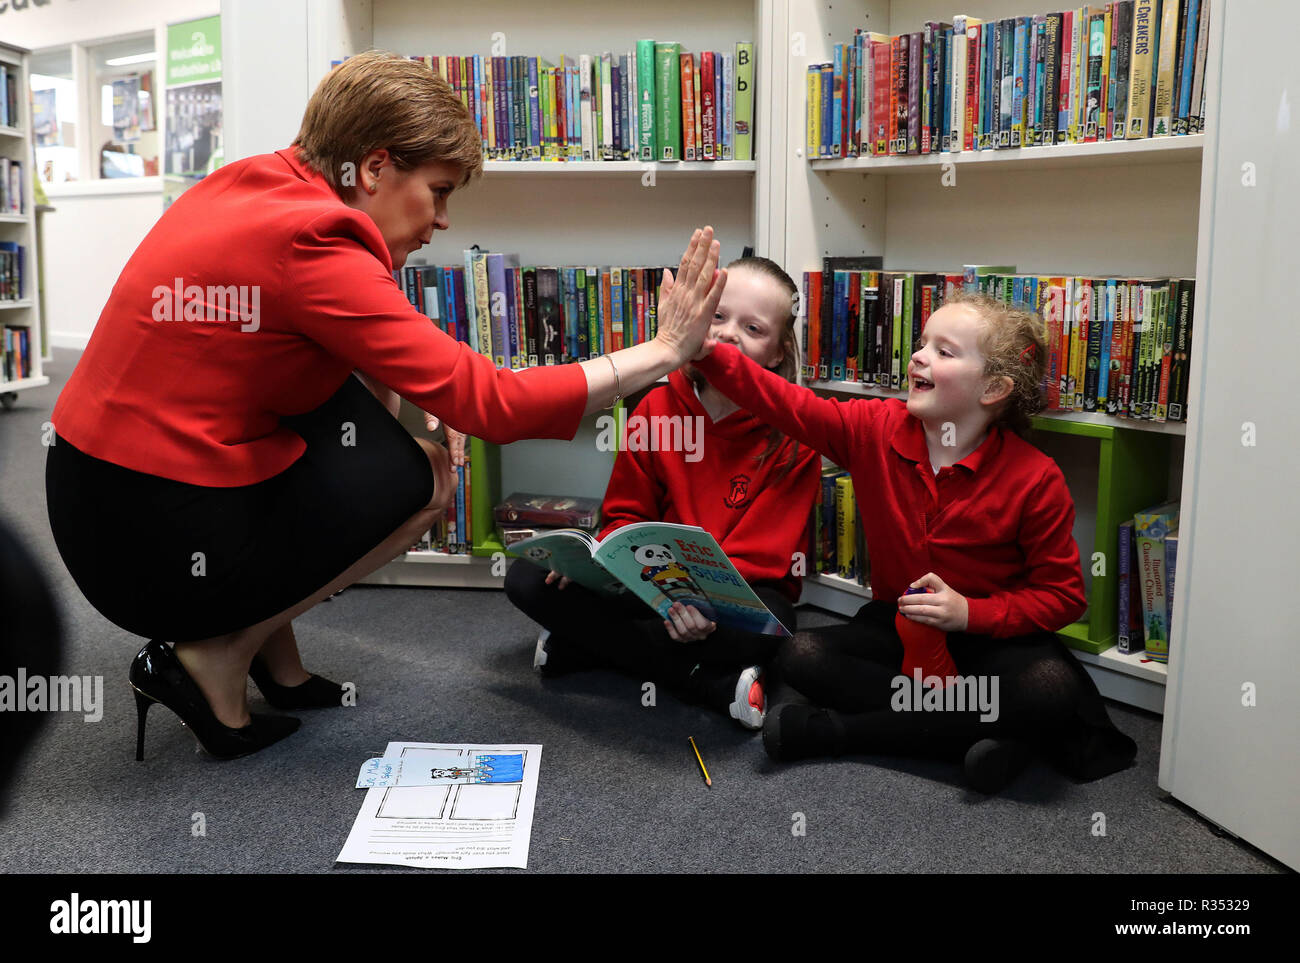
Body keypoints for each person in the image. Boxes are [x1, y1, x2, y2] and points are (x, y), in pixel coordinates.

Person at [44, 51, 727, 762]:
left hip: (97, 486)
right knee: (425, 480)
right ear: (373, 169)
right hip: (140, 532)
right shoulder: (317, 240)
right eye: (437, 191)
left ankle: (276, 663)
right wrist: (666, 349)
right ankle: (216, 653)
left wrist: (431, 392)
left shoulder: (260, 182)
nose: (441, 220)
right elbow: (490, 400)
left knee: (380, 444)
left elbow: (324, 358)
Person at [689, 289, 1138, 791]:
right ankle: (989, 737)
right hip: (900, 630)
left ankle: (838, 734)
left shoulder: (1035, 478)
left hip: (991, 640)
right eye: (922, 343)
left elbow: (1062, 597)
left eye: (944, 352)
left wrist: (969, 613)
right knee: (801, 655)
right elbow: (785, 402)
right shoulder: (872, 430)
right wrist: (702, 350)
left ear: (993, 388)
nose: (918, 356)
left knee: (1049, 688)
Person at [504, 257, 820, 729]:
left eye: (752, 327)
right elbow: (625, 515)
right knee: (527, 579)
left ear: (777, 352)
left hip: (739, 591)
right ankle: (703, 682)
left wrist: (698, 603)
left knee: (778, 628)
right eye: (717, 316)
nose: (730, 334)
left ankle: (587, 646)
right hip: (654, 585)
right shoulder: (658, 404)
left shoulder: (795, 432)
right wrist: (611, 575)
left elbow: (769, 556)